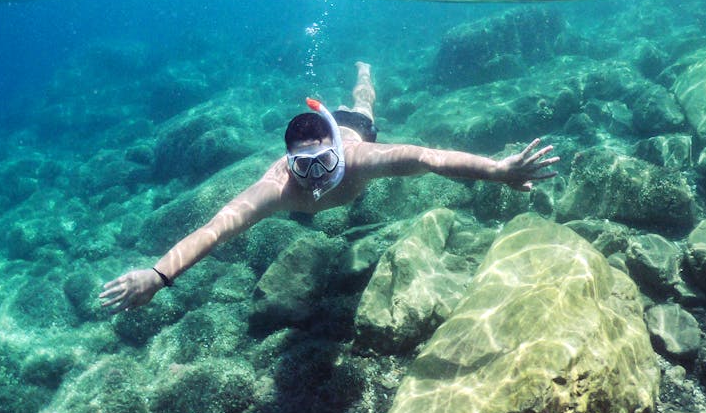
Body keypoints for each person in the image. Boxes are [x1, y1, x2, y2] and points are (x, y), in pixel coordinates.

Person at [99, 62, 559, 311]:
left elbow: (428, 158)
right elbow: (216, 229)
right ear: (288, 162)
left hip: (352, 126)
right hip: (329, 133)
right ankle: (343, 99)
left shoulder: (358, 159)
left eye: (323, 162)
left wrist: (497, 170)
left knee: (363, 106)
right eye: (304, 165)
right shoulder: (277, 187)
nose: (316, 176)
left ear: (337, 152)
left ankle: (364, 75)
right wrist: (159, 275)